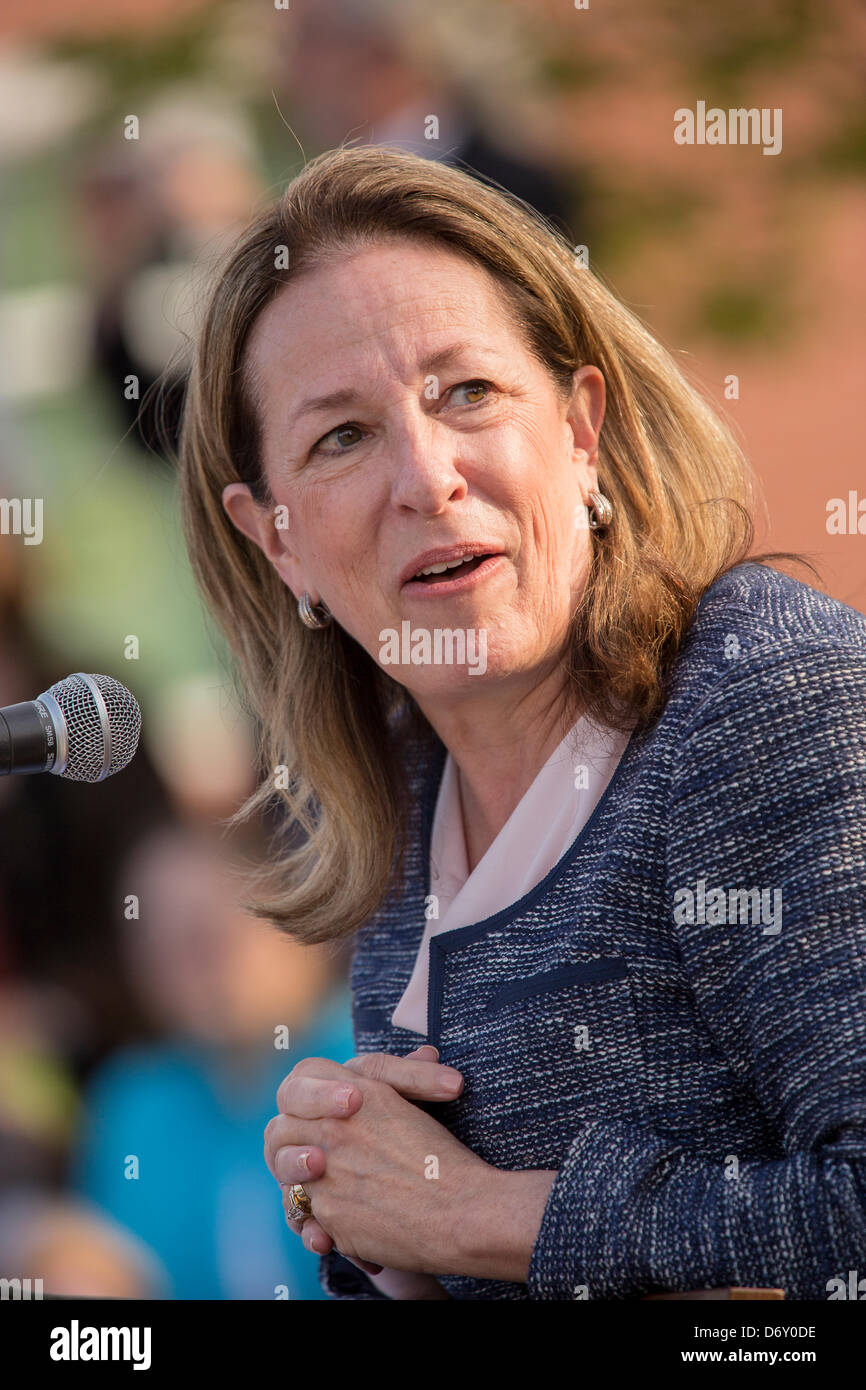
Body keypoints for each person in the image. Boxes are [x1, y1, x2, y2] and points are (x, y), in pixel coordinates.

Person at [176, 144, 866, 1300]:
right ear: (276, 537)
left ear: (579, 428)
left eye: (467, 393)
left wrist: (479, 1216)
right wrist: (372, 1222)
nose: (426, 474)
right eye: (340, 437)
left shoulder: (765, 697)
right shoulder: (400, 798)